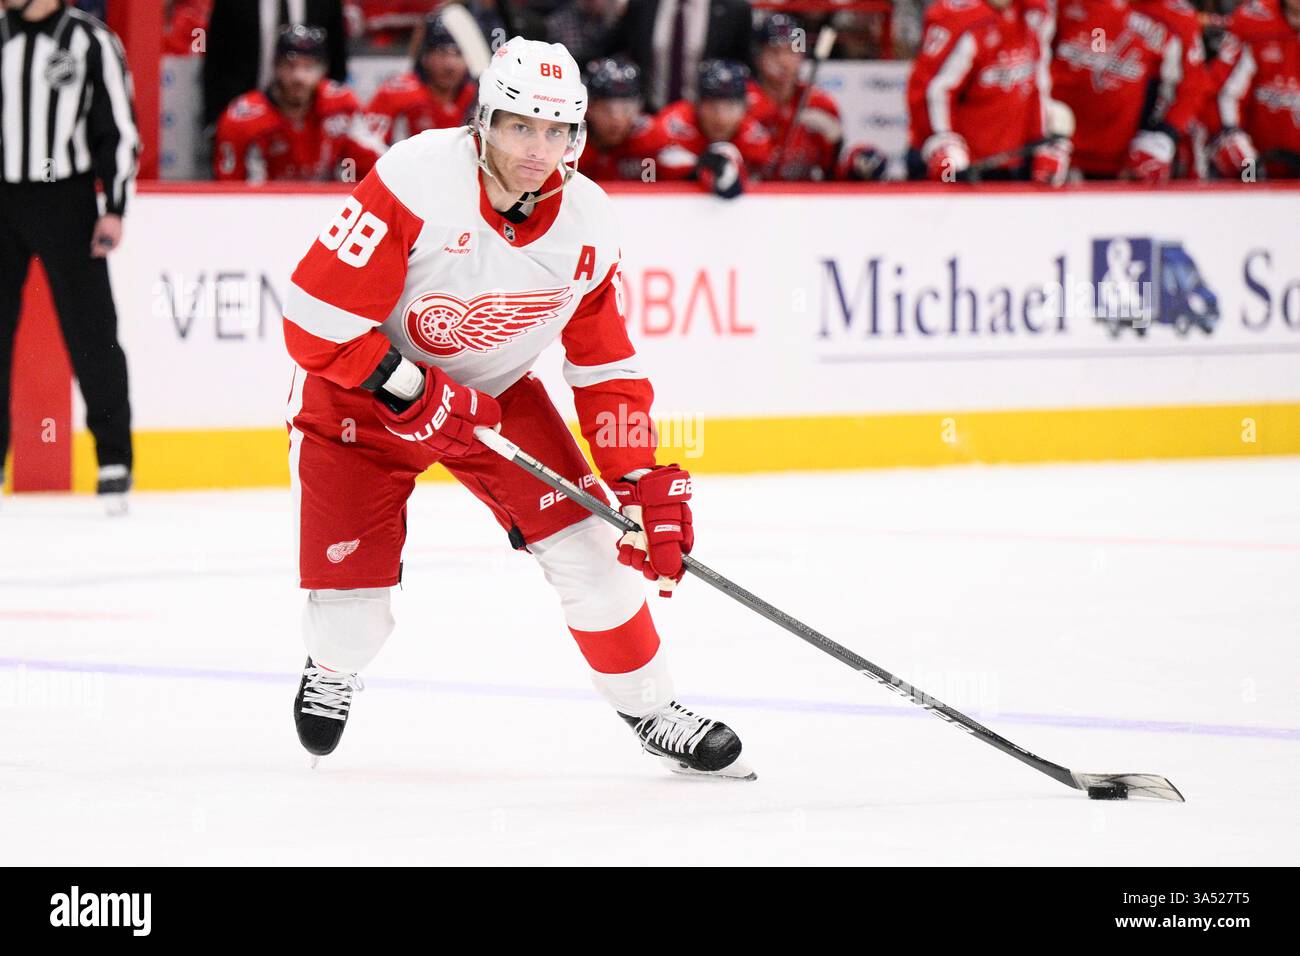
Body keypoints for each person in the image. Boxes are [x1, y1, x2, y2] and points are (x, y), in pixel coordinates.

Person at [282, 36, 754, 779]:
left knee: (596, 551)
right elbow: (313, 322)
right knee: (353, 621)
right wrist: (415, 388)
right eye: (521, 126)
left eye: (558, 130)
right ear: (484, 123)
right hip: (357, 408)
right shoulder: (415, 179)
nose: (539, 148)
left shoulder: (588, 223)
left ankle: (653, 708)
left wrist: (637, 480)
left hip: (492, 400)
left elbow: (605, 369)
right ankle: (332, 663)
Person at [0, 0, 136, 512]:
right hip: (2, 199)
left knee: (91, 332)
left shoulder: (90, 40)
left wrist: (115, 206)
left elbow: (118, 129)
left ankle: (113, 458)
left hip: (67, 199)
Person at [906, 0, 1068, 184]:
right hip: (963, 168)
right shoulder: (964, 19)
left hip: (1011, 162)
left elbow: (1037, 83)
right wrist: (942, 143)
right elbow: (934, 90)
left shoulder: (1033, 14)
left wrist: (1042, 143)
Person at [1050, 0, 1208, 182]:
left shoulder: (1176, 17)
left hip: (1126, 160)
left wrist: (1164, 135)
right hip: (1058, 146)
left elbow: (1193, 86)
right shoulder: (1061, 6)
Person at [214, 25, 381, 182]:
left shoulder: (342, 105)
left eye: (308, 67)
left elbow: (376, 165)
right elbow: (231, 192)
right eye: (290, 65)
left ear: (323, 69)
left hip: (326, 207)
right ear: (276, 67)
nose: (298, 77)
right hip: (265, 208)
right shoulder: (242, 119)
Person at [1202, 0, 1300, 179]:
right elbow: (1221, 93)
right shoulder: (1252, 21)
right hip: (1254, 168)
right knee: (1245, 179)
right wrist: (1235, 145)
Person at [600, 0, 753, 112]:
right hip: (651, 116)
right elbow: (605, 50)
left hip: (708, 124)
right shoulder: (640, 5)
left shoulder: (735, 9)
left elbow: (746, 68)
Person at [652, 58, 774, 197]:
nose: (720, 117)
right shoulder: (671, 126)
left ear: (745, 108)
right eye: (712, 106)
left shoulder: (755, 137)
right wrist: (701, 164)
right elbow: (655, 169)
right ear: (696, 105)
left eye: (730, 106)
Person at [746, 13, 843, 182]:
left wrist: (836, 143)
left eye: (792, 52)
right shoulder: (742, 101)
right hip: (750, 197)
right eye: (775, 52)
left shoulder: (818, 103)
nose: (784, 61)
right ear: (759, 56)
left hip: (802, 199)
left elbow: (832, 171)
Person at [365, 12, 477, 147]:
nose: (450, 65)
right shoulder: (395, 94)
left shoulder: (479, 96)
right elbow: (368, 152)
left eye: (458, 54)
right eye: (441, 52)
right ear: (424, 56)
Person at [576, 58, 664, 181]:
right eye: (606, 109)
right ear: (587, 107)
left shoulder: (655, 140)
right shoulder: (568, 145)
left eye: (627, 109)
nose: (617, 120)